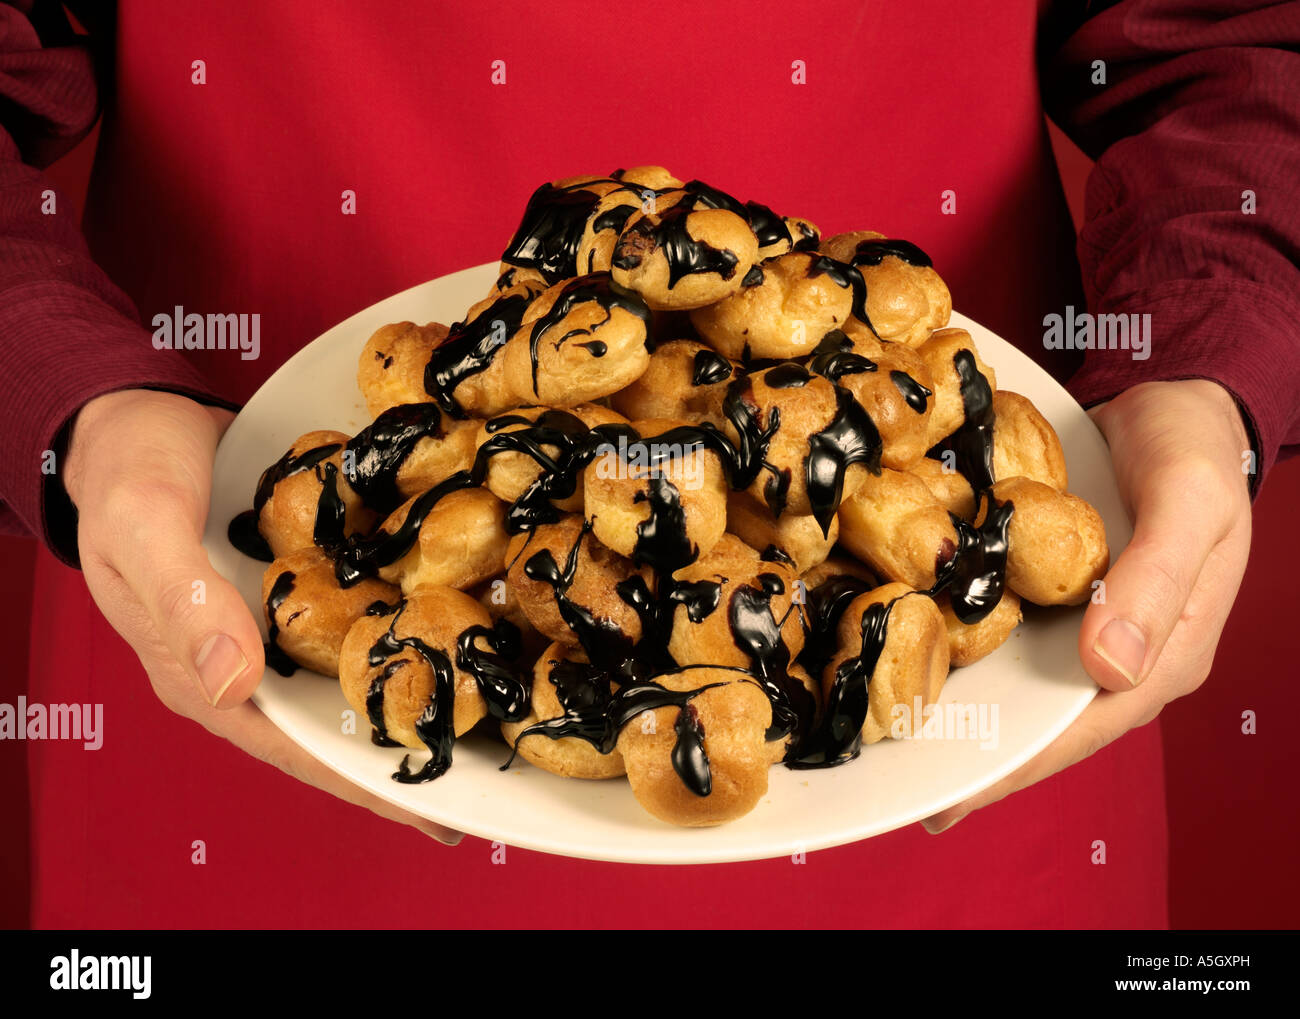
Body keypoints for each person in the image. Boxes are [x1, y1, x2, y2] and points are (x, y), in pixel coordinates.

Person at [1, 0, 1295, 927]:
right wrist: (72, 391)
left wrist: (1204, 354)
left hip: (982, 767)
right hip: (219, 647)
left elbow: (1230, 41)